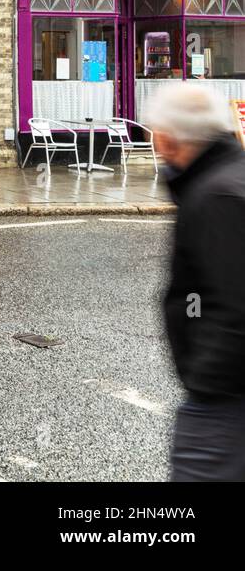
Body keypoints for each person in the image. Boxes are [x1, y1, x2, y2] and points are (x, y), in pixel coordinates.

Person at [144, 84, 245, 481]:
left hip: (224, 401)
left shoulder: (217, 196)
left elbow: (231, 304)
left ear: (168, 139)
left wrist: (203, 378)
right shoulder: (225, 179)